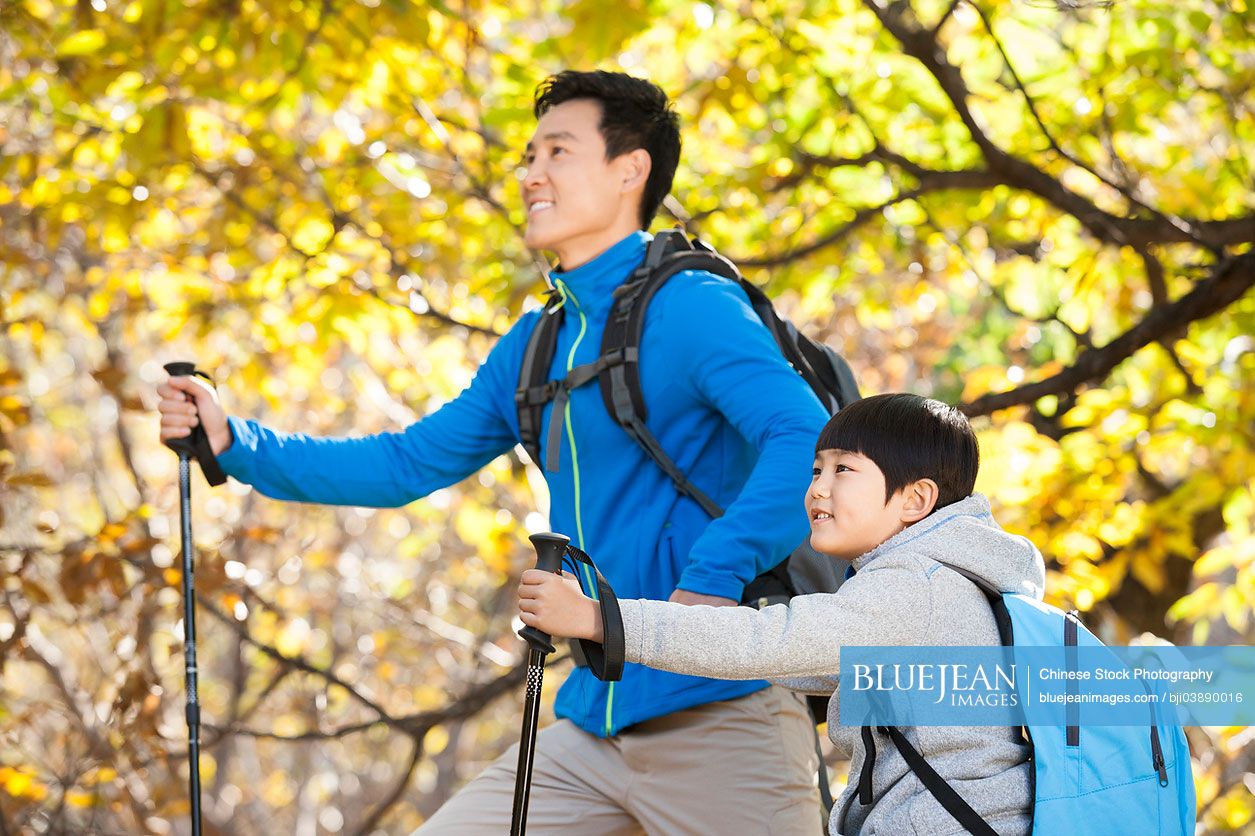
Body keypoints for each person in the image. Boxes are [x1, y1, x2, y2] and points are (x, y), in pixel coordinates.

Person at [158, 70, 830, 833]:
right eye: (528, 155)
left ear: (628, 171)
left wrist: (713, 577)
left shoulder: (692, 305)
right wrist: (235, 442)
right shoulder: (536, 343)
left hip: (722, 715)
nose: (531, 173)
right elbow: (405, 464)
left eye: (557, 152)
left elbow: (805, 439)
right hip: (593, 726)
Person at [519, 393, 1040, 835]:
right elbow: (791, 658)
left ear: (915, 499)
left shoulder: (913, 589)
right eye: (817, 469)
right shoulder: (943, 583)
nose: (818, 487)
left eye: (844, 470)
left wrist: (598, 619)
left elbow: (766, 643)